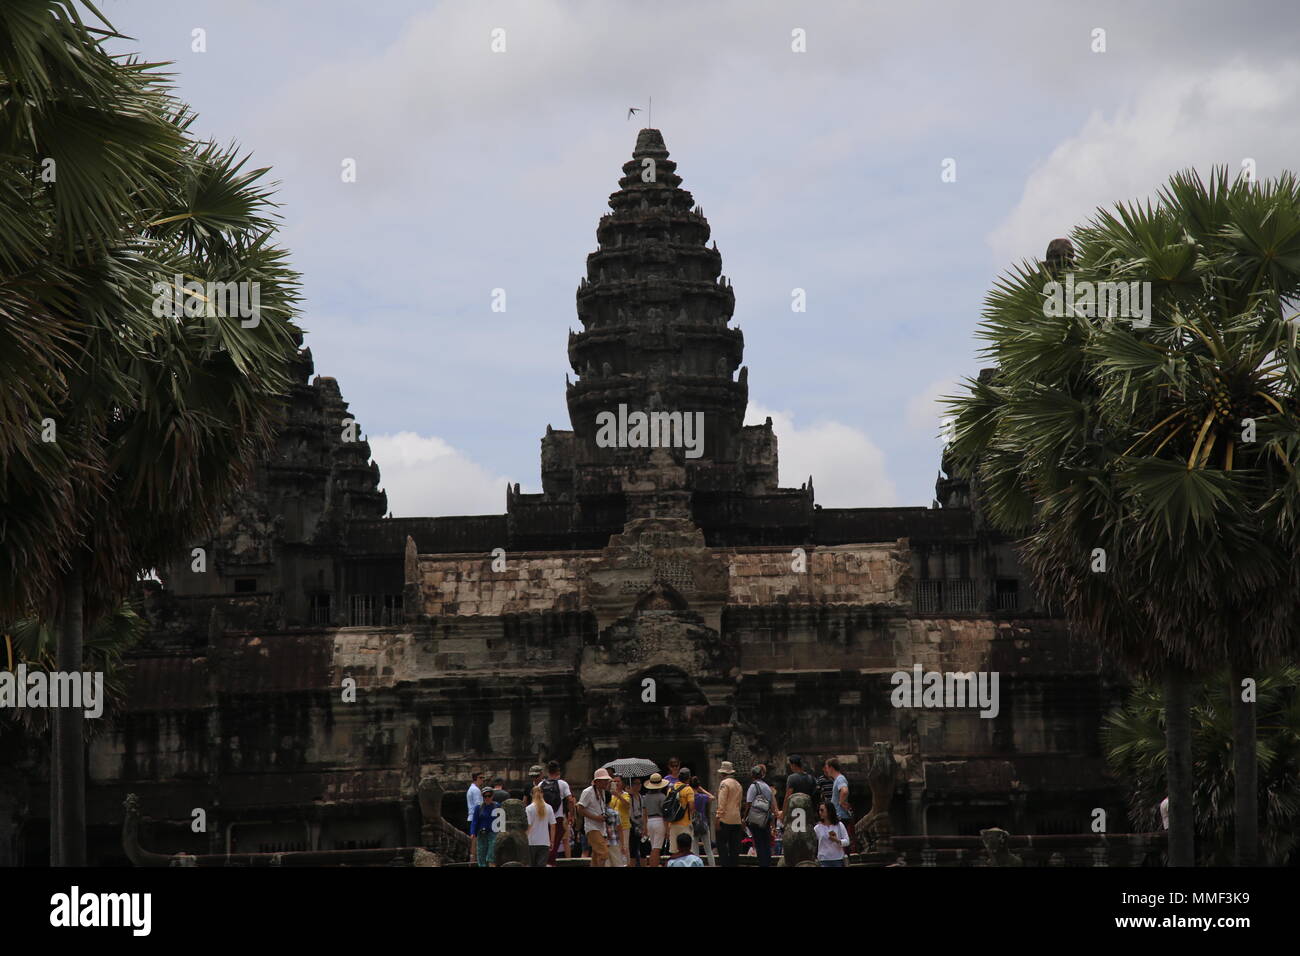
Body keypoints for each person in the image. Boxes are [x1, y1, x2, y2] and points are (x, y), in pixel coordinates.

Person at [577, 768, 614, 867]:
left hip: (601, 827)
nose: (607, 782)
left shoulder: (602, 792)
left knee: (596, 856)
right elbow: (580, 809)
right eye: (605, 780)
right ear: (597, 781)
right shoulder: (588, 792)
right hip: (592, 827)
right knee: (604, 853)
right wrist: (595, 818)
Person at [541, 761, 573, 865]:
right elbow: (570, 800)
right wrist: (571, 815)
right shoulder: (562, 784)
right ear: (558, 771)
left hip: (544, 818)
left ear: (548, 771)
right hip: (558, 817)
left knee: (545, 842)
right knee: (554, 843)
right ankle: (551, 863)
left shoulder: (541, 784)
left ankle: (545, 862)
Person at [744, 764, 775, 867]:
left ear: (752, 775)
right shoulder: (767, 787)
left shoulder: (753, 787)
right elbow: (770, 803)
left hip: (755, 819)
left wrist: (744, 818)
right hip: (765, 818)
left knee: (758, 843)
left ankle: (762, 863)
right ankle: (767, 863)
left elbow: (748, 804)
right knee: (766, 843)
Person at [714, 760, 744, 867]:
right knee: (734, 848)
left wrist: (718, 817)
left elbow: (722, 802)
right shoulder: (738, 785)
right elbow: (739, 804)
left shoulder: (724, 784)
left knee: (722, 846)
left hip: (725, 819)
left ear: (723, 773)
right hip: (736, 819)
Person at [665, 767, 696, 857]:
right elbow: (691, 807)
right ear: (688, 778)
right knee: (687, 851)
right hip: (685, 824)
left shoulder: (671, 789)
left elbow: (668, 807)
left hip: (673, 823)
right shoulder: (688, 789)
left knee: (674, 851)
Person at [525, 780, 556, 867]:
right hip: (544, 841)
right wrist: (552, 841)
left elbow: (529, 826)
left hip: (531, 842)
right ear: (542, 794)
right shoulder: (549, 808)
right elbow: (553, 825)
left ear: (531, 794)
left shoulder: (529, 808)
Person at [642, 773, 669, 866]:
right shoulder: (662, 796)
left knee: (654, 846)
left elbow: (644, 813)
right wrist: (667, 829)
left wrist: (645, 827)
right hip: (659, 821)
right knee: (656, 848)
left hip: (649, 821)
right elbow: (665, 814)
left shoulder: (646, 797)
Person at [825, 757, 853, 849]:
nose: (826, 770)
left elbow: (844, 791)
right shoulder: (837, 779)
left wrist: (841, 802)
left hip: (840, 815)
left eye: (827, 767)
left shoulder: (840, 779)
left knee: (841, 842)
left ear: (831, 768)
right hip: (839, 815)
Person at [814, 800, 850, 867]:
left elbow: (847, 841)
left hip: (838, 859)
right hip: (823, 860)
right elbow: (814, 843)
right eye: (819, 810)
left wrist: (837, 840)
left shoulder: (839, 825)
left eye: (822, 810)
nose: (820, 812)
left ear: (829, 811)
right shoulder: (817, 828)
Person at [690, 775, 716, 866]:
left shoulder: (690, 797)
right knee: (708, 850)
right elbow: (712, 797)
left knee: (695, 849)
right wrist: (702, 790)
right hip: (703, 823)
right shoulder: (702, 797)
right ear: (698, 786)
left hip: (693, 824)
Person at [472, 784, 500, 867]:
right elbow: (475, 821)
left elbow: (501, 820)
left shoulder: (497, 806)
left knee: (491, 855)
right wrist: (473, 832)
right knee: (481, 855)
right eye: (485, 796)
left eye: (489, 796)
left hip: (493, 833)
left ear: (492, 796)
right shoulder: (478, 808)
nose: (487, 798)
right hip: (482, 833)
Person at [609, 774, 632, 867]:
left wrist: (618, 795)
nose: (616, 783)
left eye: (618, 781)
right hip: (613, 826)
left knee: (625, 847)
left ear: (622, 783)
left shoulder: (626, 795)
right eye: (614, 781)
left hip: (624, 825)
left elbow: (627, 804)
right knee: (615, 848)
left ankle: (627, 864)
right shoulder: (610, 795)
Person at [627, 777, 646, 867]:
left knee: (643, 849)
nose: (638, 785)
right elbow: (630, 813)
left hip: (641, 824)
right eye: (636, 783)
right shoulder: (629, 797)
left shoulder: (641, 797)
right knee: (633, 850)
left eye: (640, 783)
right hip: (633, 824)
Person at [466, 770, 485, 860]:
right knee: (476, 842)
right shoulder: (476, 790)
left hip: (472, 818)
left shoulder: (472, 789)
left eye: (483, 778)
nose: (482, 780)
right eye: (480, 778)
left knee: (474, 842)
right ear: (475, 779)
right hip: (475, 819)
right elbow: (479, 806)